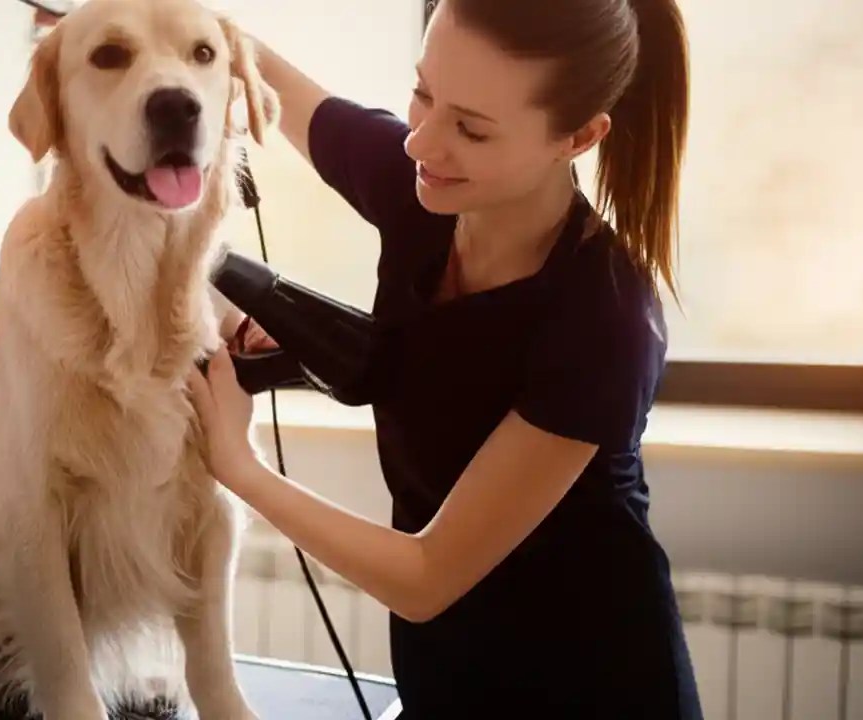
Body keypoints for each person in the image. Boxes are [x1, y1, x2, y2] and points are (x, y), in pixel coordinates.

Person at [44, 0, 701, 716]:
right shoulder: (421, 190)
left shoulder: (604, 316)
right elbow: (252, 63)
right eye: (422, 93)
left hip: (593, 685)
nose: (422, 142)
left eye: (471, 129)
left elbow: (426, 576)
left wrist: (238, 466)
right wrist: (129, 26)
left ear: (579, 137)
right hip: (444, 680)